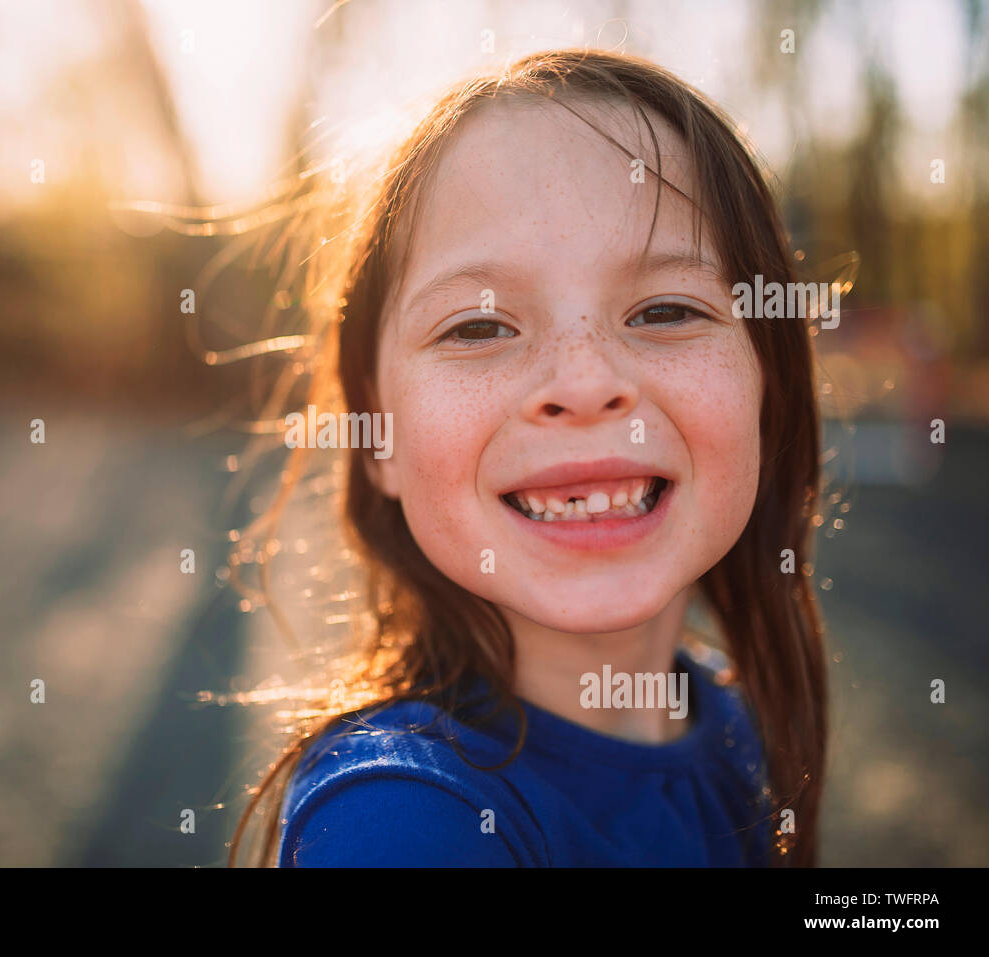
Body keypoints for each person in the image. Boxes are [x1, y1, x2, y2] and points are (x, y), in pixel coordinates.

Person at [228, 49, 828, 867]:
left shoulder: (736, 726)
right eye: (478, 326)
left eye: (664, 309)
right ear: (379, 435)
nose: (583, 384)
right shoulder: (402, 824)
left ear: (770, 387)